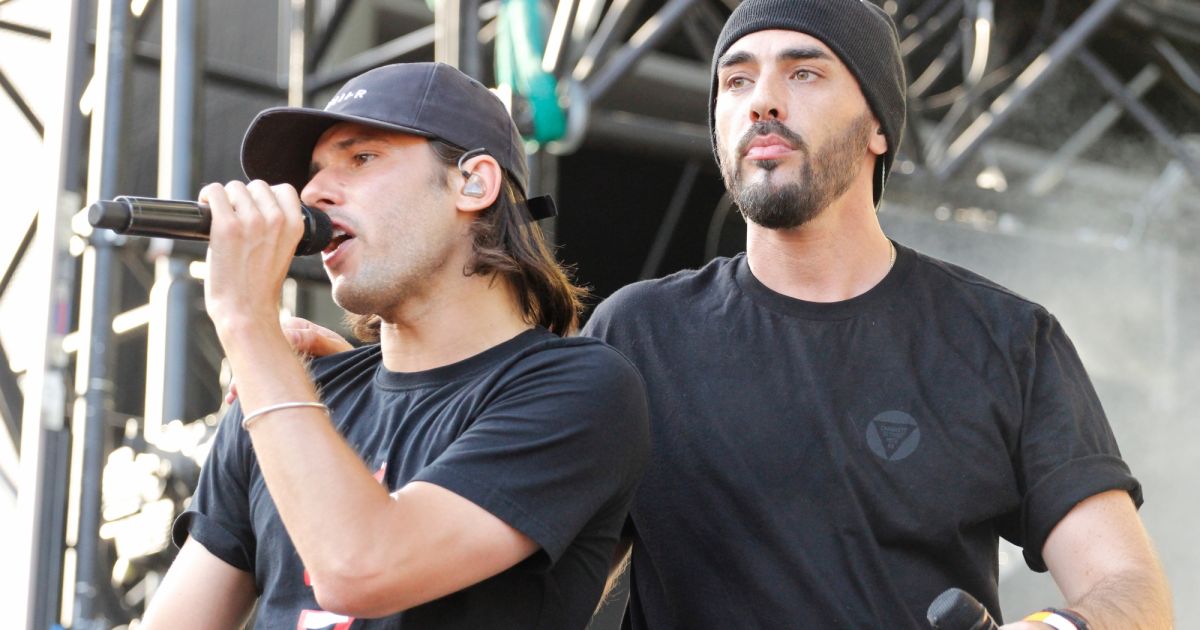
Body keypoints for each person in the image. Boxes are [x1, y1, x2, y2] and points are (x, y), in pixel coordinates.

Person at [580, 1, 1173, 628]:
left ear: (878, 127)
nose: (762, 102)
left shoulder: (1005, 339)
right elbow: (543, 579)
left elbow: (1130, 587)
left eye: (804, 72)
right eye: (737, 79)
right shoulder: (637, 334)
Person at [140, 62, 650, 630]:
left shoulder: (580, 390)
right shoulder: (291, 390)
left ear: (473, 182)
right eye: (312, 173)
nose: (311, 193)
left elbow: (359, 569)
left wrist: (246, 319)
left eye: (361, 158)